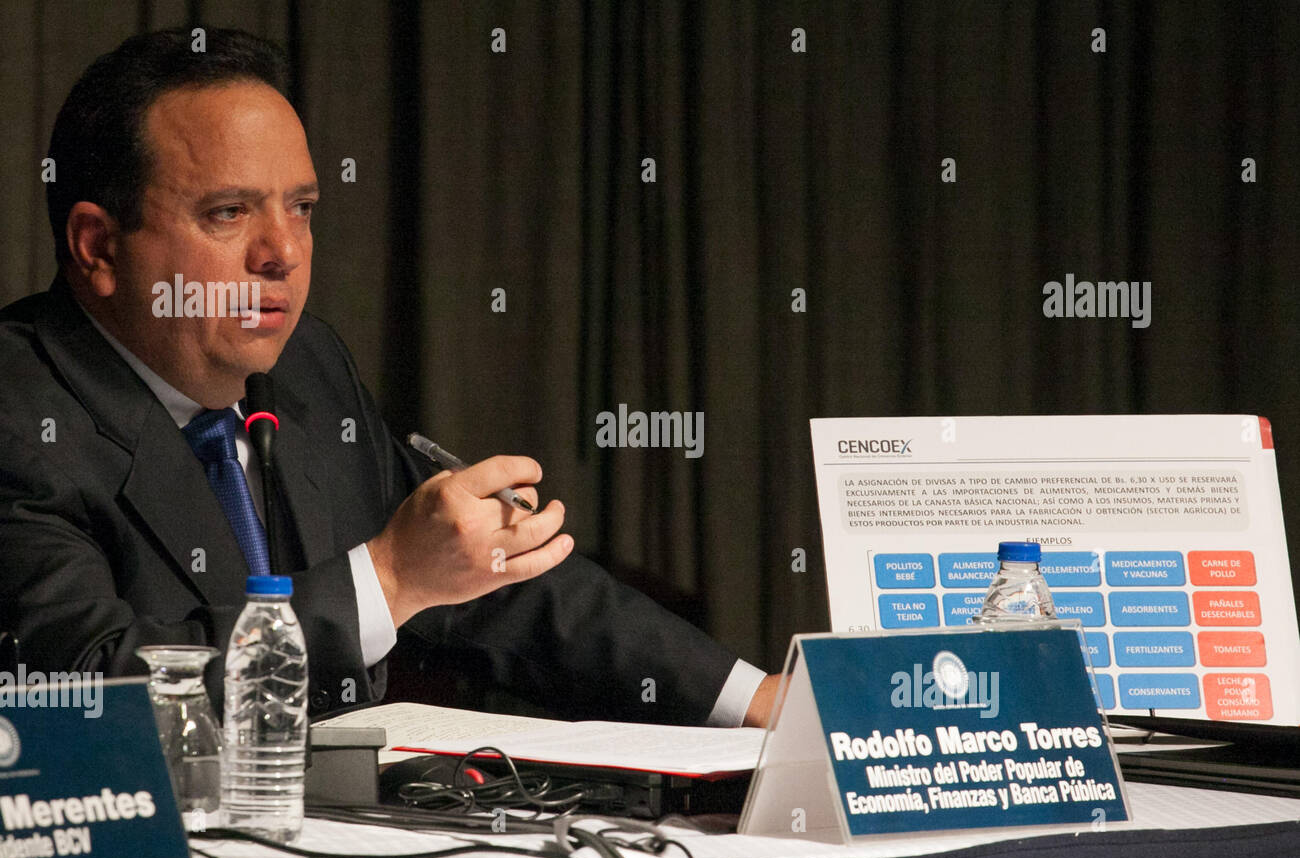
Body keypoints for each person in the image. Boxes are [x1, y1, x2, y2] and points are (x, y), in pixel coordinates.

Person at [0, 27, 778, 728]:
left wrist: (751, 698)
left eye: (301, 207)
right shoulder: (19, 409)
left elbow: (499, 581)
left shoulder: (306, 367)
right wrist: (391, 575)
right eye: (230, 212)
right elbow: (90, 692)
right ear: (98, 246)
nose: (284, 253)